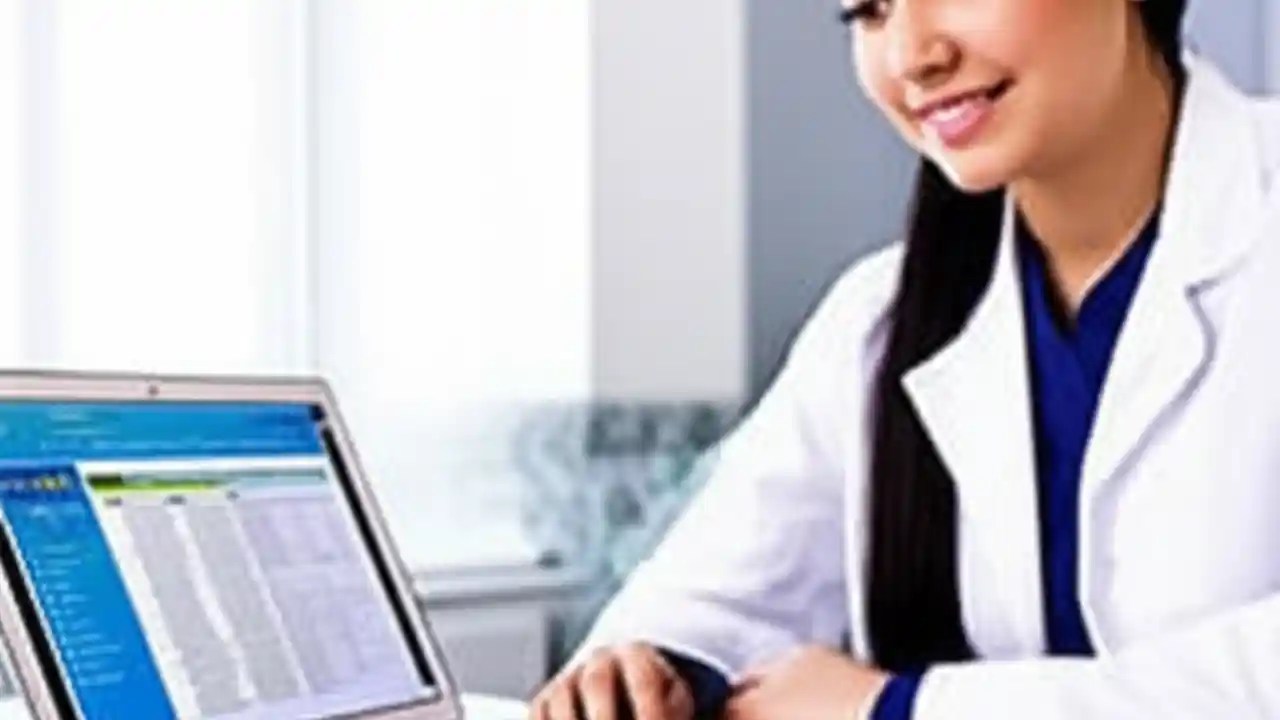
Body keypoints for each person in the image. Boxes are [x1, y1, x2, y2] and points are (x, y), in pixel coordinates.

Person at [531, 0, 1280, 717]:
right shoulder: (880, 317)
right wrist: (645, 672)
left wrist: (899, 708)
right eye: (869, 10)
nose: (913, 57)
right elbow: (711, 597)